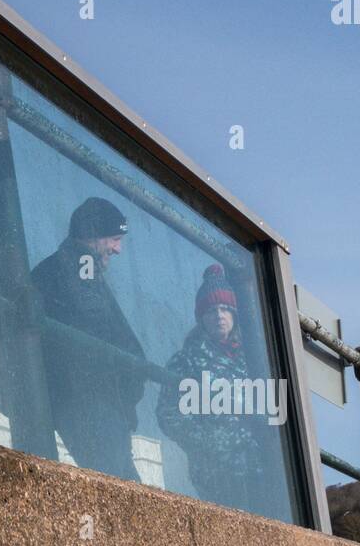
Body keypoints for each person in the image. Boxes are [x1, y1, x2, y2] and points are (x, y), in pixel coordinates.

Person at [30, 197, 149, 481]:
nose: (118, 249)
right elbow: (98, 338)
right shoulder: (67, 272)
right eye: (115, 239)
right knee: (119, 495)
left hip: (103, 407)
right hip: (90, 404)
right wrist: (129, 374)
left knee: (125, 494)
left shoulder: (79, 271)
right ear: (92, 234)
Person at [156, 264, 266, 510]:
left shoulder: (253, 358)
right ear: (201, 317)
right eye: (212, 310)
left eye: (226, 309)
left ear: (235, 314)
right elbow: (168, 414)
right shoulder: (186, 360)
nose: (219, 316)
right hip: (217, 474)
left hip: (258, 470)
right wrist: (211, 442)